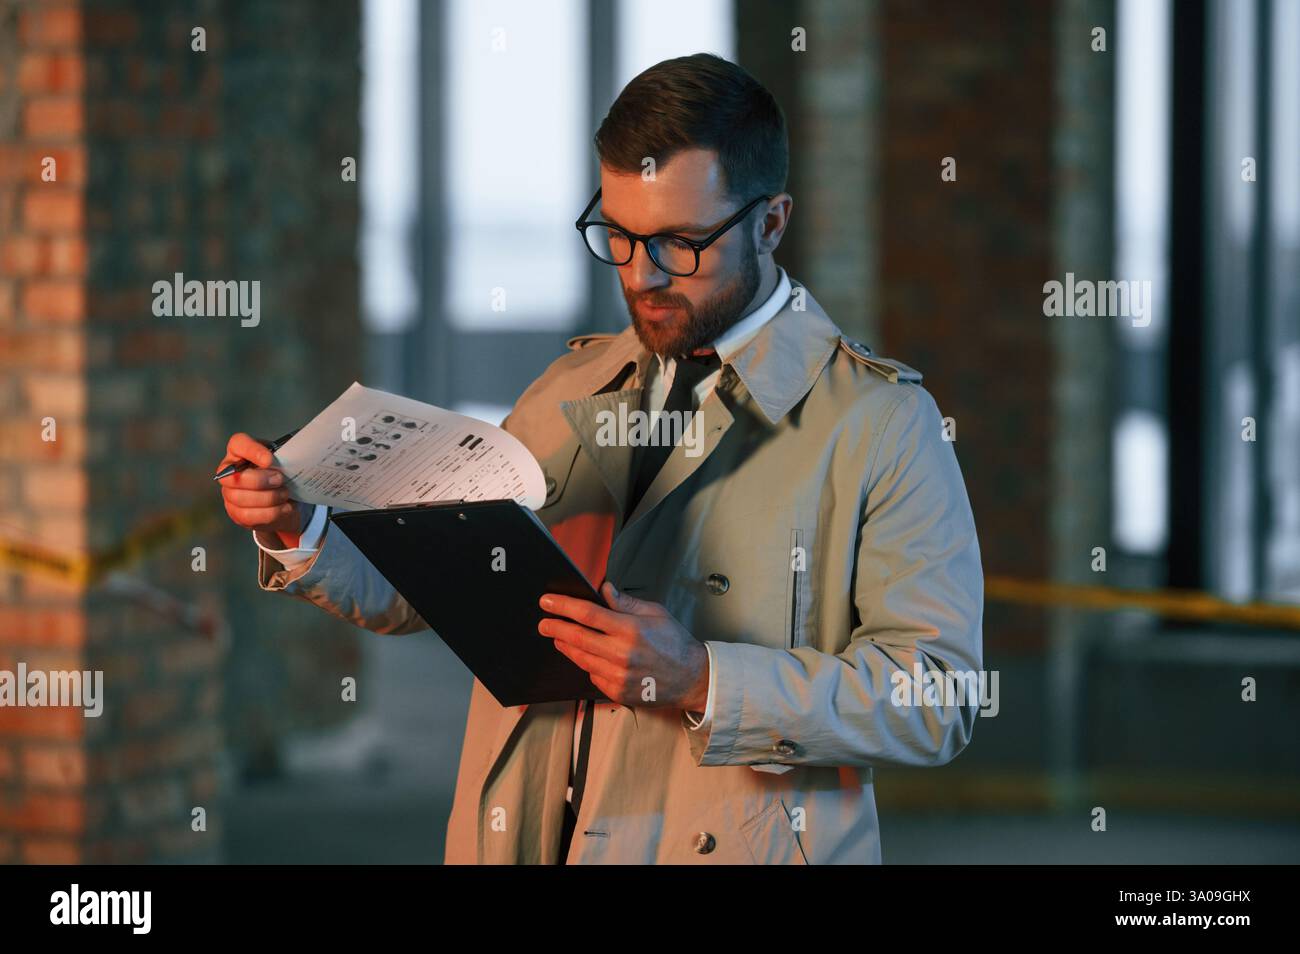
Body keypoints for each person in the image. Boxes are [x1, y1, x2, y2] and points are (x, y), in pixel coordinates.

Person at [216, 53, 984, 864]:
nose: (640, 275)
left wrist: (700, 678)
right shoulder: (569, 386)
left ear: (771, 222)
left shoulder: (883, 423)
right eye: (617, 235)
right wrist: (305, 529)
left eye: (680, 244)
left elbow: (937, 696)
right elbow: (433, 593)